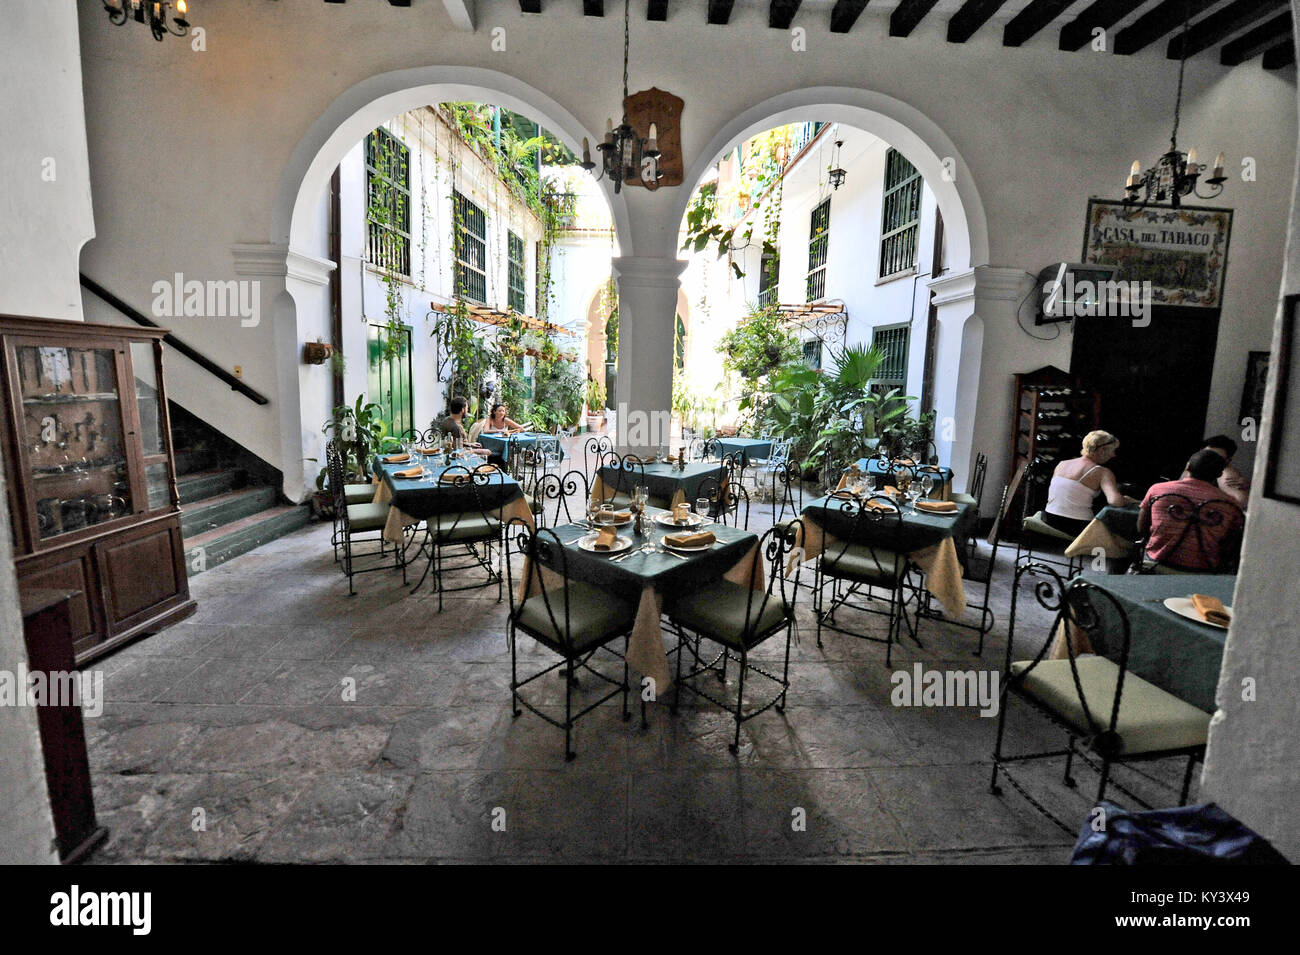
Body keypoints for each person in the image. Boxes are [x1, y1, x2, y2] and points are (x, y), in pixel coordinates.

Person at [1140, 449, 1245, 571]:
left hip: (1156, 564)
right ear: (1219, 474)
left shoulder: (1158, 490)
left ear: (1188, 466)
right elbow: (1230, 544)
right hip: (1203, 571)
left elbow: (1141, 527)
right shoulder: (1230, 504)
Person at [1043, 430, 1138, 537]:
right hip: (1075, 524)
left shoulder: (1062, 464)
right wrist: (1129, 500)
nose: (1114, 455)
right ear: (1102, 450)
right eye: (1113, 450)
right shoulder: (1102, 472)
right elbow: (1115, 501)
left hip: (1049, 517)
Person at [1181, 434, 1250, 509]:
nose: (1208, 459)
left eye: (1216, 457)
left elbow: (1241, 503)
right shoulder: (1193, 465)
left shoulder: (1227, 473)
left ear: (1227, 461)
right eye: (1206, 454)